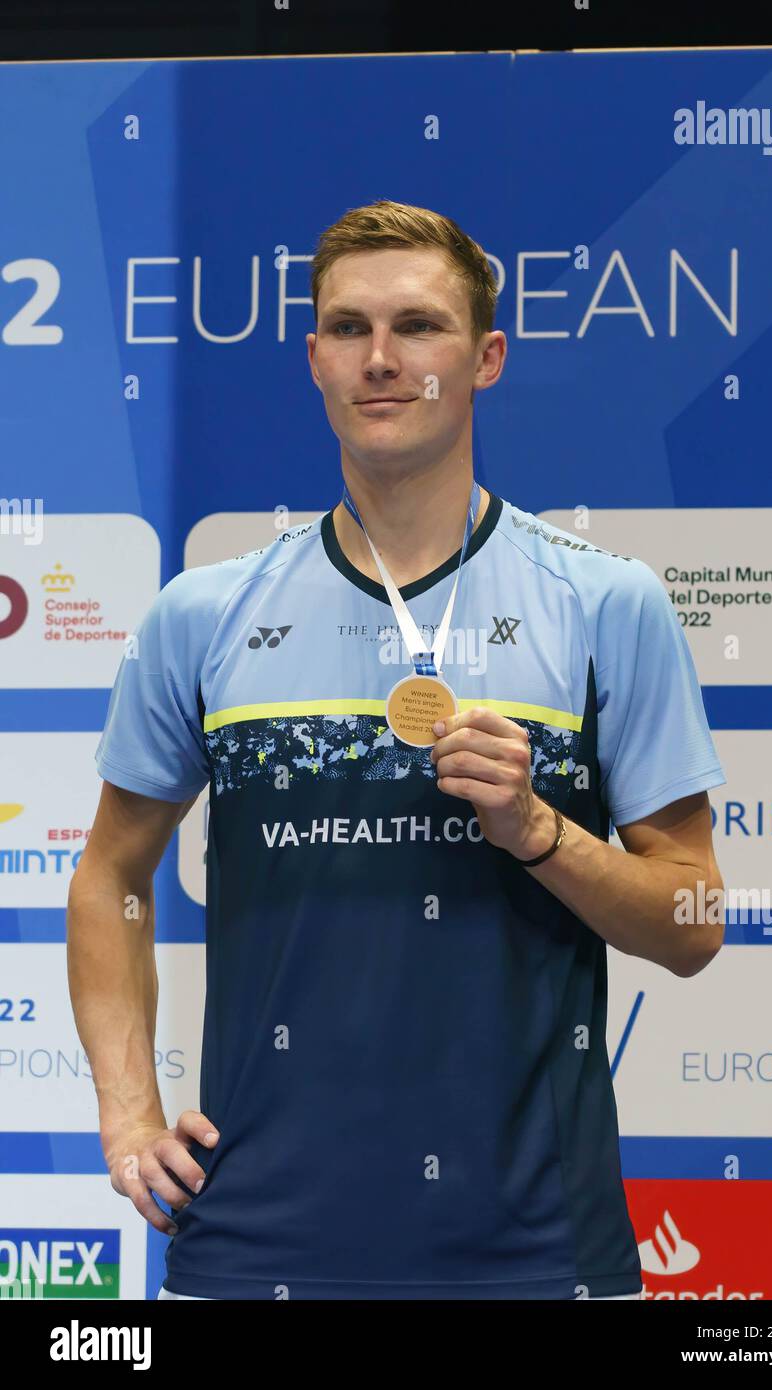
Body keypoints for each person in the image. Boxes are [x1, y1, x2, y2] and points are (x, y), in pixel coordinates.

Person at [67, 199, 726, 1301]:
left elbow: (695, 922)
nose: (381, 359)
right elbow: (109, 874)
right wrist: (129, 1112)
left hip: (535, 1250)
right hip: (254, 1241)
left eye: (418, 326)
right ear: (314, 358)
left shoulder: (608, 604)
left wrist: (538, 831)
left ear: (486, 358)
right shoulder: (204, 612)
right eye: (348, 328)